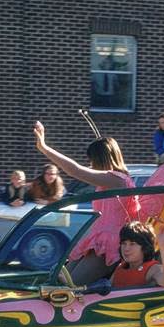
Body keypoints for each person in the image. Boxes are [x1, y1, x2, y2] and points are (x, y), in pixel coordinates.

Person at [33, 120, 139, 284]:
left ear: (102, 159)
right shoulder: (110, 180)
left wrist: (44, 148)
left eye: (92, 160)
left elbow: (75, 170)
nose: (91, 165)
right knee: (59, 278)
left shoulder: (118, 180)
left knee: (71, 283)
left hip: (110, 243)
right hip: (97, 239)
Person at [110, 219, 164, 289]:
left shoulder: (153, 268)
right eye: (124, 243)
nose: (126, 248)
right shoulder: (120, 267)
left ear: (145, 247)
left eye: (132, 244)